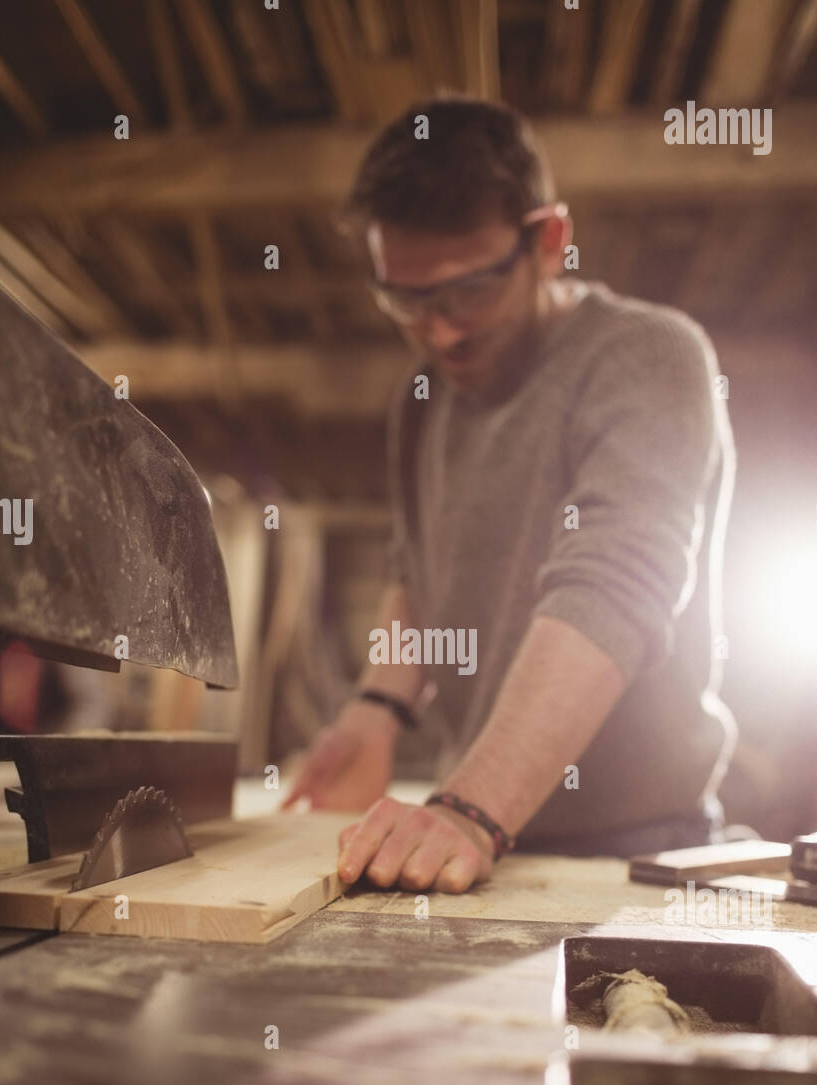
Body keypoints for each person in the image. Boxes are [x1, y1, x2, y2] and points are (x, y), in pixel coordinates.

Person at [283, 96, 737, 894]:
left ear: (549, 241)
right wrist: (374, 711)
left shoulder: (647, 355)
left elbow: (619, 578)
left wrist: (472, 807)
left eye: (466, 292)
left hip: (634, 846)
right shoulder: (420, 398)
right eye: (407, 300)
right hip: (484, 836)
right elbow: (415, 577)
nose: (441, 331)